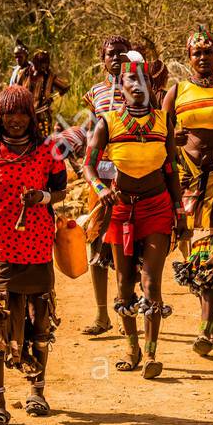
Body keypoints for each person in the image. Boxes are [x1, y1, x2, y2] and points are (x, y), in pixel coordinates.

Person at [83, 53, 186, 378]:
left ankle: (153, 353)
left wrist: (179, 210)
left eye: (143, 81)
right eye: (131, 80)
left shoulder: (162, 121)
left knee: (151, 281)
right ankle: (132, 346)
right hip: (121, 209)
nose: (137, 86)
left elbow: (170, 168)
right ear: (121, 85)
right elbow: (88, 164)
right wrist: (101, 190)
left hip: (157, 207)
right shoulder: (108, 122)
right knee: (125, 283)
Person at [0, 85, 67, 425]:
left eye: (22, 113)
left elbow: (60, 191)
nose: (16, 120)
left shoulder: (49, 150)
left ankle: (37, 390)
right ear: (0, 115)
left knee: (40, 319)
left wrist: (40, 198)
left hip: (38, 243)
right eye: (9, 113)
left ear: (32, 116)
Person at [162, 26, 213, 356]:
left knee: (209, 249)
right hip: (185, 180)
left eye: (208, 52)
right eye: (197, 53)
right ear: (188, 58)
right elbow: (160, 135)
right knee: (189, 251)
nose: (203, 58)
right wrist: (175, 139)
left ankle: (206, 328)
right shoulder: (177, 92)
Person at [80, 35, 130, 336]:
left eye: (122, 54)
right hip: (100, 175)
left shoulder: (142, 88)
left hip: (131, 174)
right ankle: (101, 316)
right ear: (103, 60)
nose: (116, 59)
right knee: (96, 241)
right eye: (111, 54)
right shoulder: (95, 93)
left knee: (127, 243)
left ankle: (128, 310)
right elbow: (91, 130)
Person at [17, 49, 69, 137]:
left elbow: (65, 87)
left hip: (42, 116)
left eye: (45, 64)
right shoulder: (24, 73)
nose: (43, 67)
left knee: (43, 143)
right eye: (41, 64)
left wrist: (52, 99)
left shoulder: (49, 76)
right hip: (25, 115)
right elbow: (16, 89)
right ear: (34, 63)